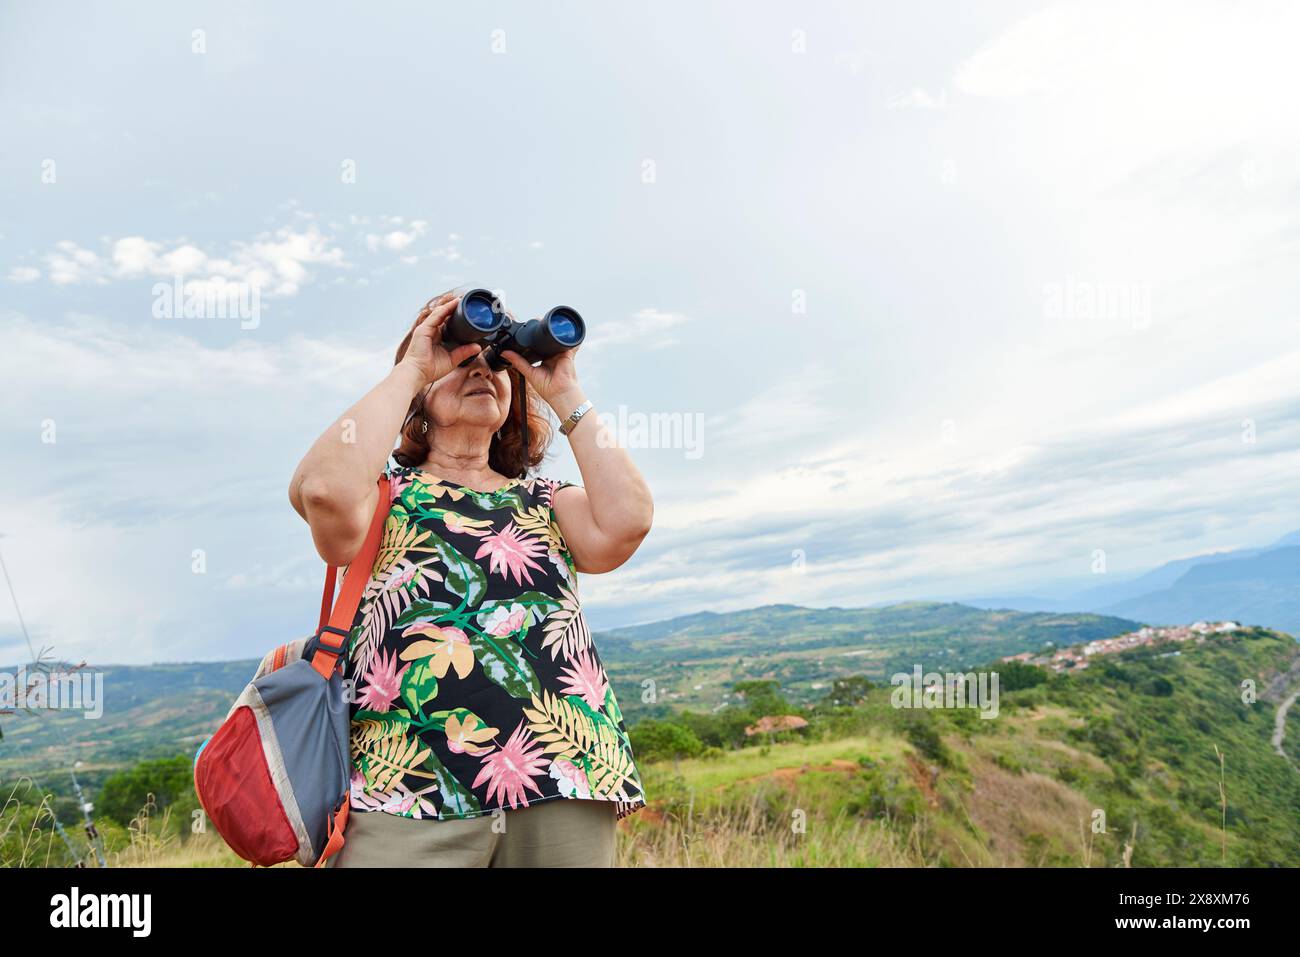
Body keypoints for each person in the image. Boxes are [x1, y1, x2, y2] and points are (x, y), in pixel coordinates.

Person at [289, 290, 653, 867]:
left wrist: (563, 392)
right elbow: (321, 490)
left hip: (562, 776)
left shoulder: (545, 502)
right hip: (404, 788)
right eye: (462, 363)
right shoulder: (382, 497)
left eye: (493, 365)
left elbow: (627, 522)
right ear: (417, 402)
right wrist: (412, 367)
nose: (481, 370)